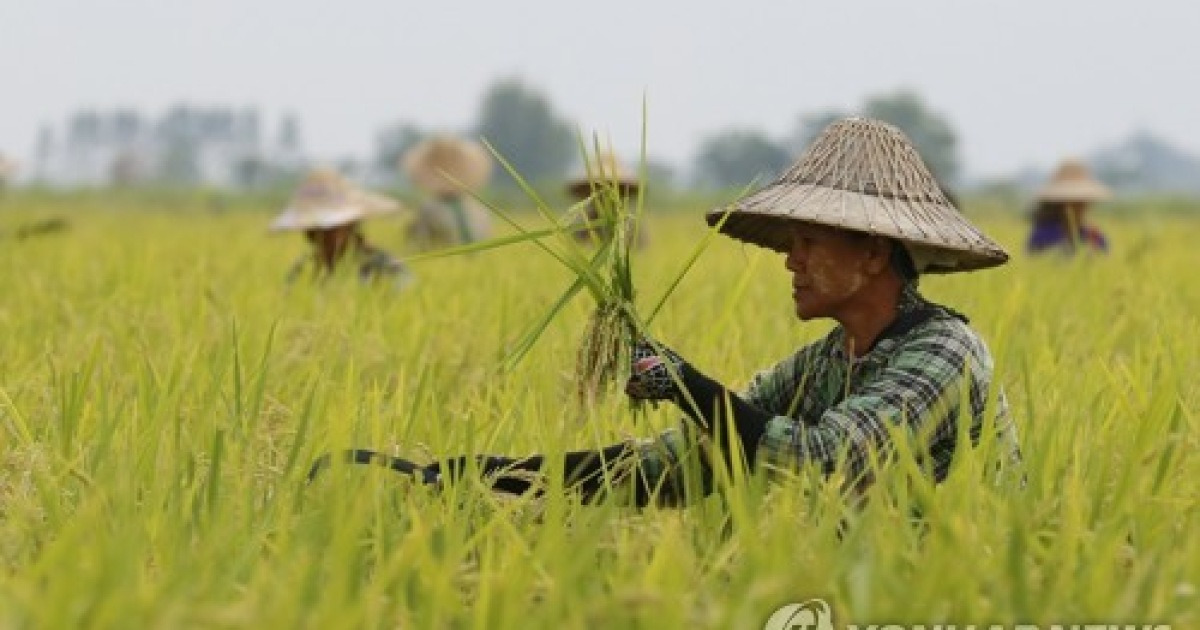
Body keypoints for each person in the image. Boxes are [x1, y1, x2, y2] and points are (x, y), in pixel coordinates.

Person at [312, 117, 1022, 504]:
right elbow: (681, 460)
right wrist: (486, 472)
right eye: (789, 243)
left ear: (873, 254)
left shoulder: (945, 351)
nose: (790, 259)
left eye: (807, 242)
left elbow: (823, 462)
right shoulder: (824, 363)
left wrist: (685, 383)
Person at [272, 167, 413, 287]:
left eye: (331, 229)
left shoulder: (378, 263)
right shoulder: (304, 269)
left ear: (350, 225)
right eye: (315, 230)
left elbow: (406, 292)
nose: (323, 237)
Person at [402, 135, 493, 250]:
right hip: (482, 262)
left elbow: (420, 245)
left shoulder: (429, 209)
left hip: (443, 259)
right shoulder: (480, 209)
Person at [1026, 159, 1112, 254]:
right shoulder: (1044, 234)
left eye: (1083, 201)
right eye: (1075, 202)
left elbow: (1102, 261)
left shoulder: (1093, 236)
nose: (1081, 207)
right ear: (1059, 204)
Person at [564, 152, 647, 248]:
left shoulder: (632, 227)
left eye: (611, 189)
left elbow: (641, 256)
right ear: (590, 192)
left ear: (622, 192)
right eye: (598, 189)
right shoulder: (582, 227)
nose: (605, 195)